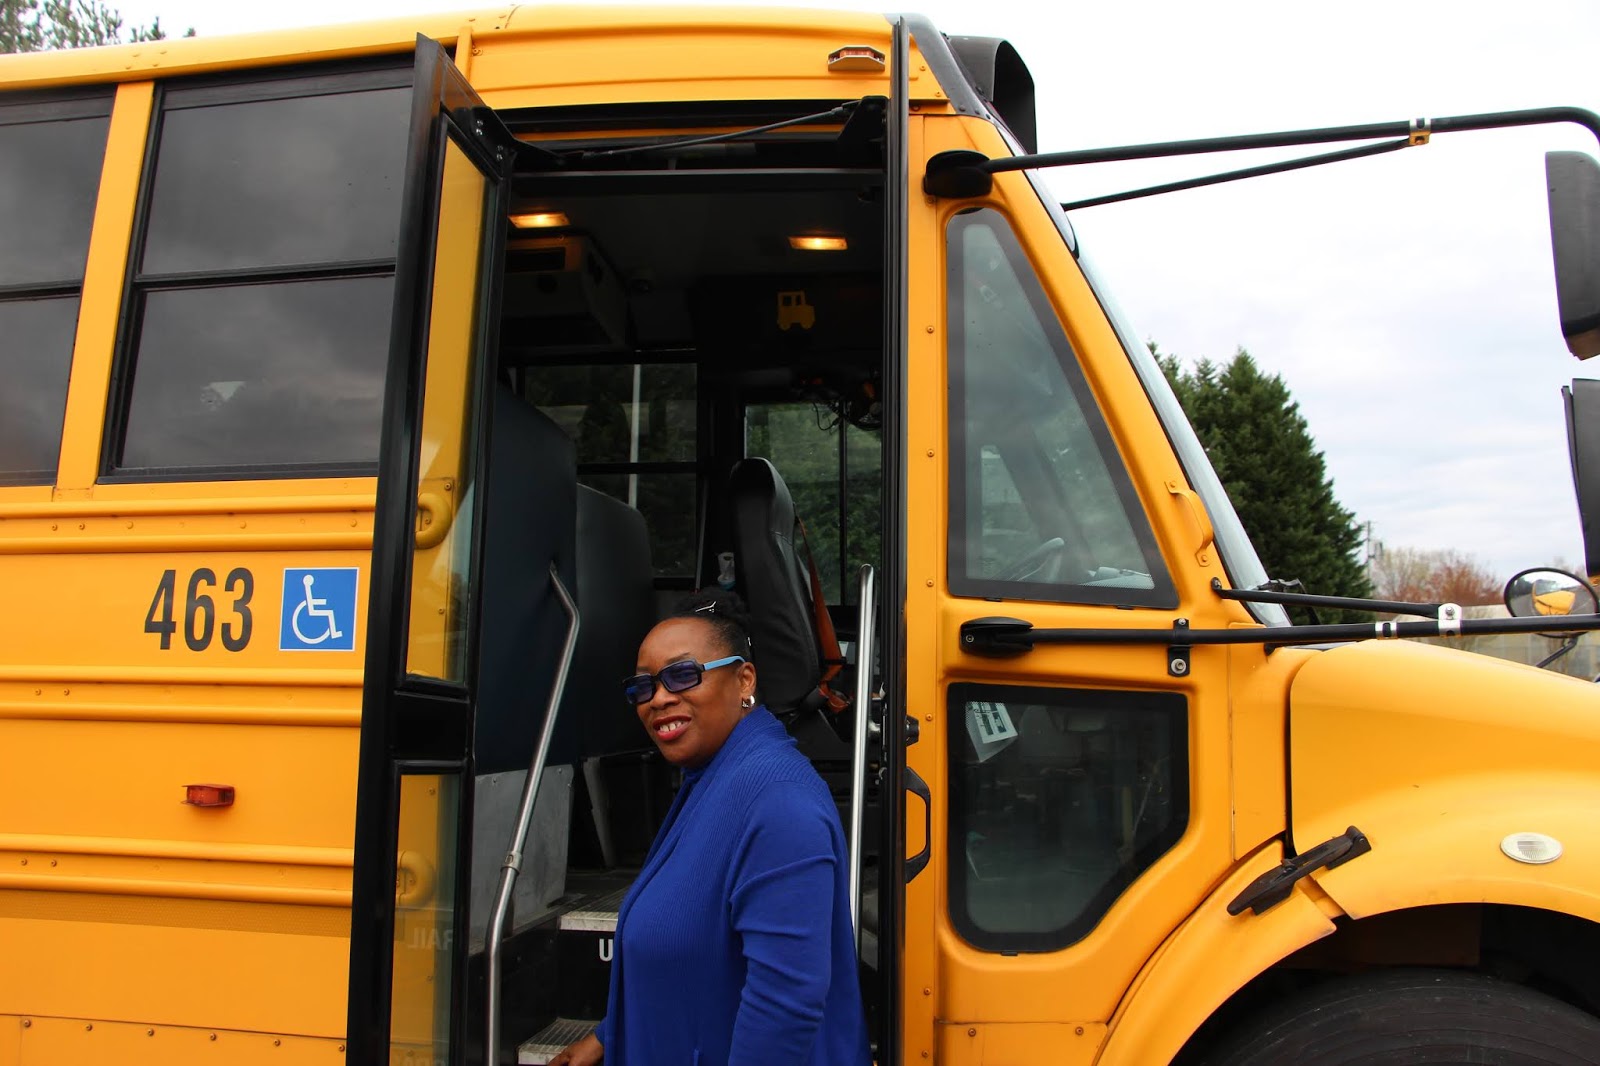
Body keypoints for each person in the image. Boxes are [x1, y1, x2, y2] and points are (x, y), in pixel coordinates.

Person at [550, 590, 871, 1066]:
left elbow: (785, 1005)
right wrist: (607, 1038)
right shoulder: (713, 778)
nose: (658, 699)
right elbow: (696, 958)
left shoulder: (779, 803)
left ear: (744, 679)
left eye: (683, 675)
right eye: (643, 687)